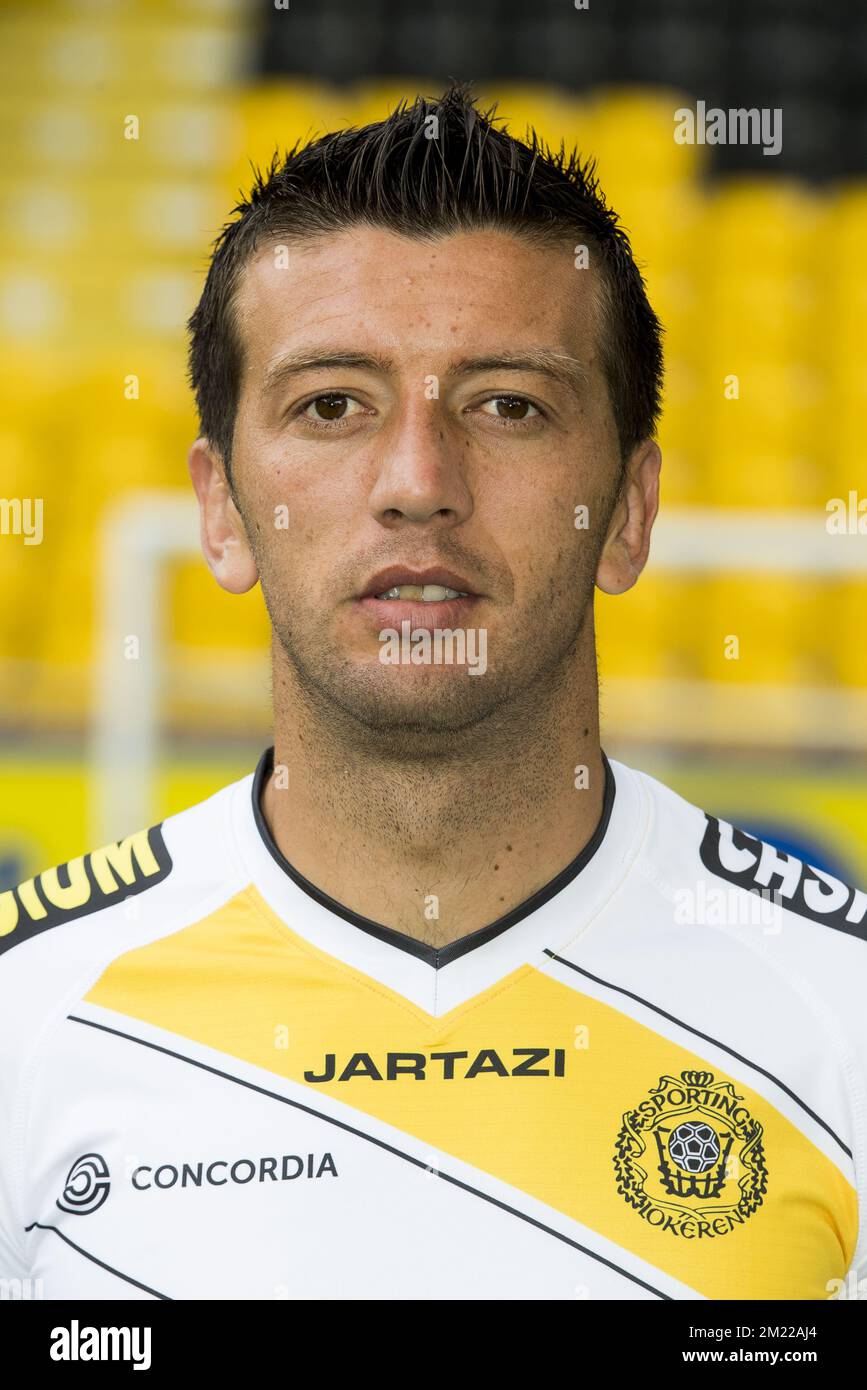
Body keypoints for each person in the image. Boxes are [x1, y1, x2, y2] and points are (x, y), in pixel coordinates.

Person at [1, 83, 865, 1302]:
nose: (418, 482)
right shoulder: (26, 1013)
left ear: (629, 511)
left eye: (508, 405)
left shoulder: (841, 1005)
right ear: (219, 507)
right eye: (332, 404)